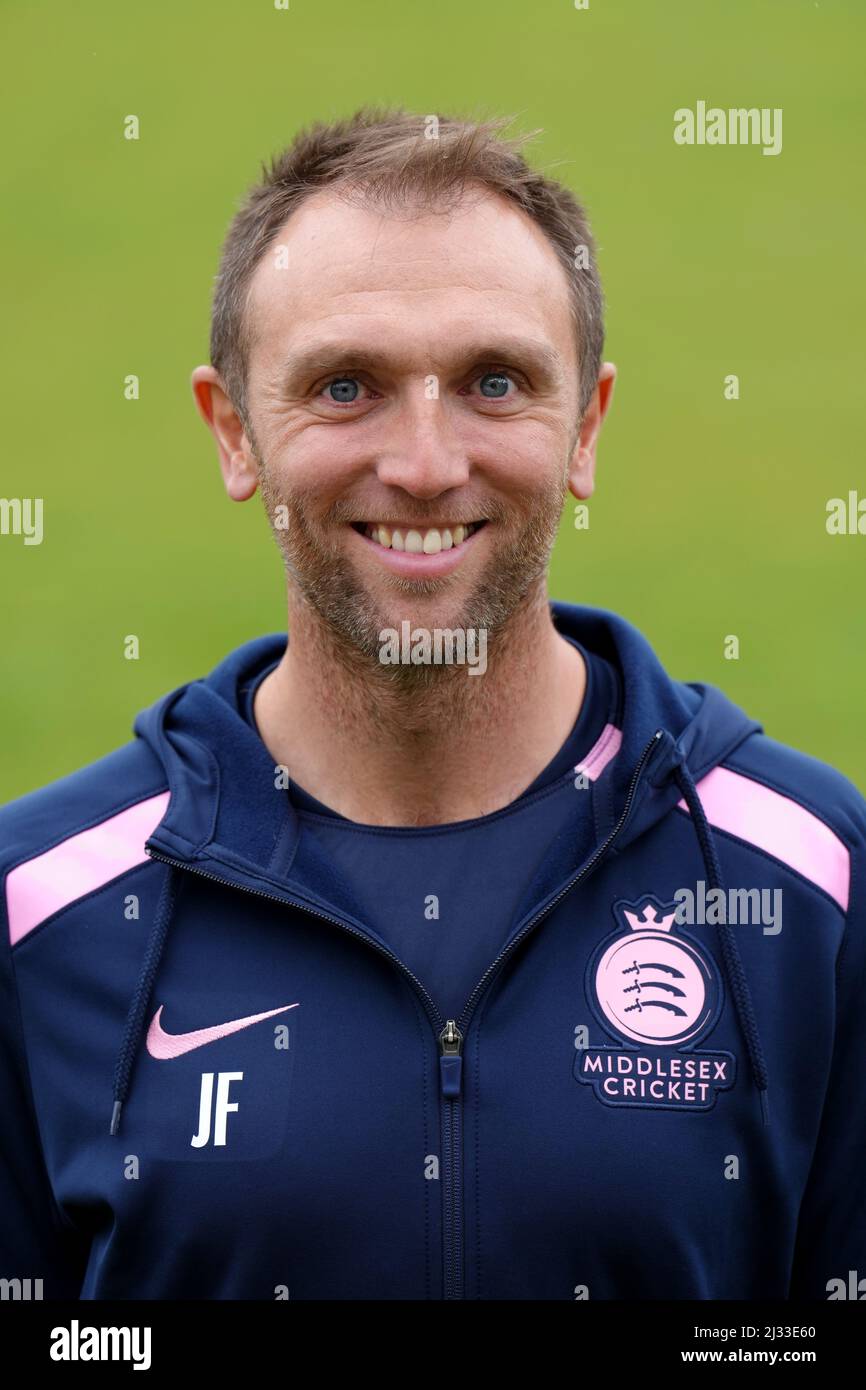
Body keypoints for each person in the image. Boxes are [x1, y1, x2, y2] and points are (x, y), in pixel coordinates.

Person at [1, 108, 863, 1302]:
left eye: (492, 381)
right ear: (233, 429)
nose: (421, 462)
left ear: (586, 426)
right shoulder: (38, 910)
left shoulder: (812, 884)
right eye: (344, 386)